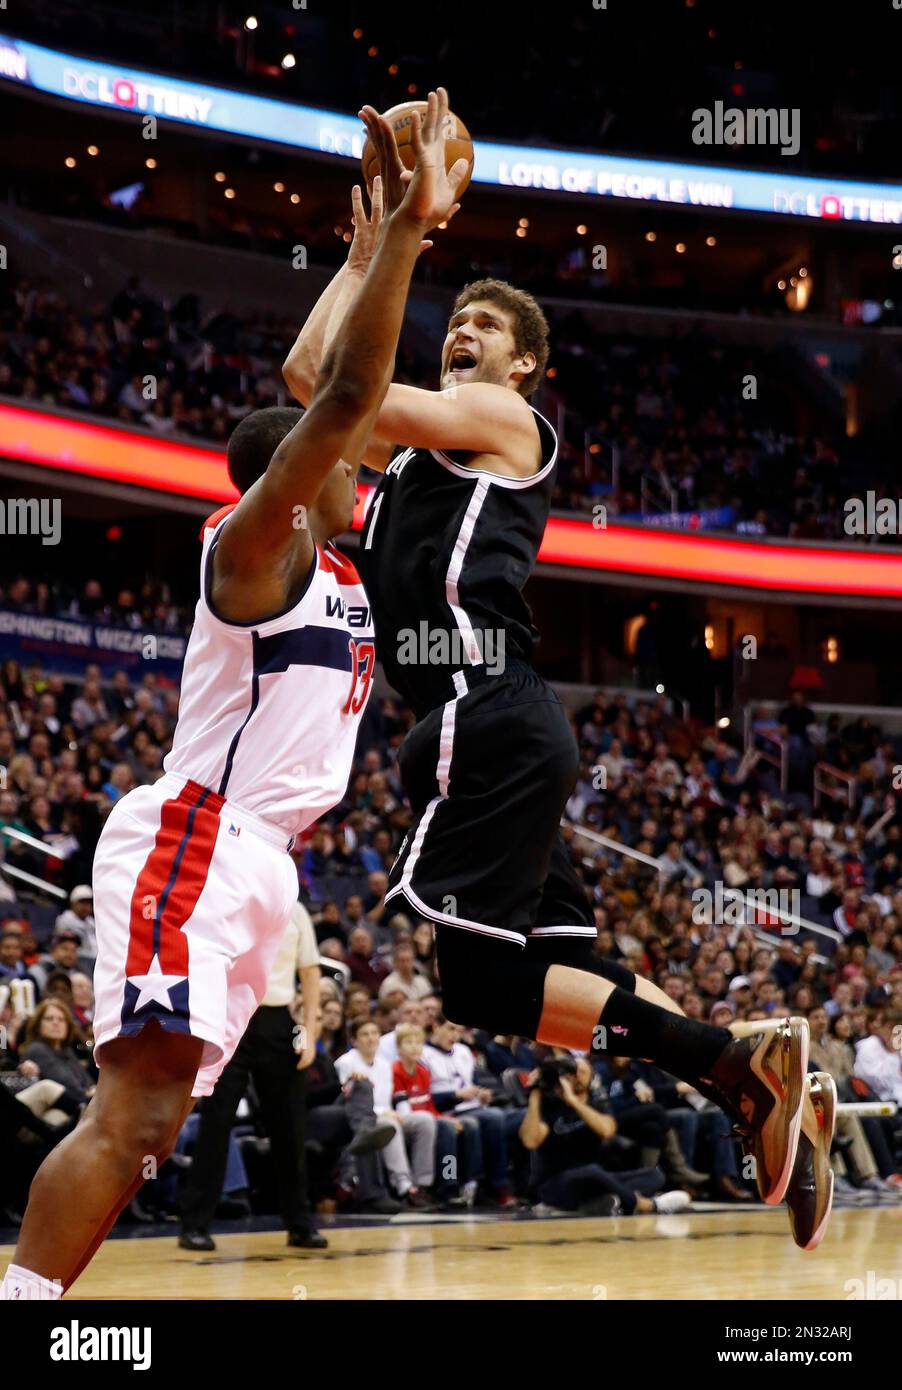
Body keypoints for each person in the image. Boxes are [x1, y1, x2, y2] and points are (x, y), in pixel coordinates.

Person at [284, 105, 821, 1249]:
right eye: (454, 326)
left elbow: (355, 397)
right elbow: (311, 381)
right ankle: (751, 1070)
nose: (460, 336)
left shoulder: (502, 419)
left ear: (522, 362)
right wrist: (356, 251)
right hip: (507, 726)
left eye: (482, 327)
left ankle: (731, 1069)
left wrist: (407, 246)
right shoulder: (398, 485)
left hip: (481, 708)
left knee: (478, 991)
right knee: (568, 969)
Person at [1, 96, 467, 1302]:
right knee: (133, 1113)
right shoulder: (252, 547)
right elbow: (338, 393)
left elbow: (316, 376)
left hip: (261, 861)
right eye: (335, 459)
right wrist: (409, 240)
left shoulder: (349, 571)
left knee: (151, 1134)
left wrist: (361, 259)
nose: (359, 470)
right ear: (291, 476)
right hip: (195, 838)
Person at [178, 901, 325, 1252]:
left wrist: (309, 1032)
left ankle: (299, 1223)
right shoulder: (230, 899)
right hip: (230, 1017)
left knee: (290, 1125)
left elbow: (310, 972)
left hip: (279, 1021)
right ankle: (194, 1224)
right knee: (217, 1120)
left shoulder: (296, 909)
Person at [520, 1056, 689, 1218]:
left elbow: (607, 1130)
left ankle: (598, 1202)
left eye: (581, 1072)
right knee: (592, 1172)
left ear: (591, 1077)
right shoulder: (549, 1106)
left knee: (654, 1175)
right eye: (571, 1072)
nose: (575, 1076)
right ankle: (646, 1205)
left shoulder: (597, 1105)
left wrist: (574, 1102)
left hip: (593, 1181)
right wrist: (535, 1095)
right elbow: (530, 1140)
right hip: (555, 1184)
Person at [335, 1016, 435, 1207]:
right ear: (354, 1040)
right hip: (365, 1120)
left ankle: (423, 1184)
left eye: (374, 1033)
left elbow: (391, 1098)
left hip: (389, 1113)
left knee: (425, 1120)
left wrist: (400, 1113)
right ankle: (404, 1185)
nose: (371, 1038)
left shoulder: (383, 1064)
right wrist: (385, 1113)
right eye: (365, 1034)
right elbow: (351, 1102)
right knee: (389, 1126)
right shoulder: (345, 1063)